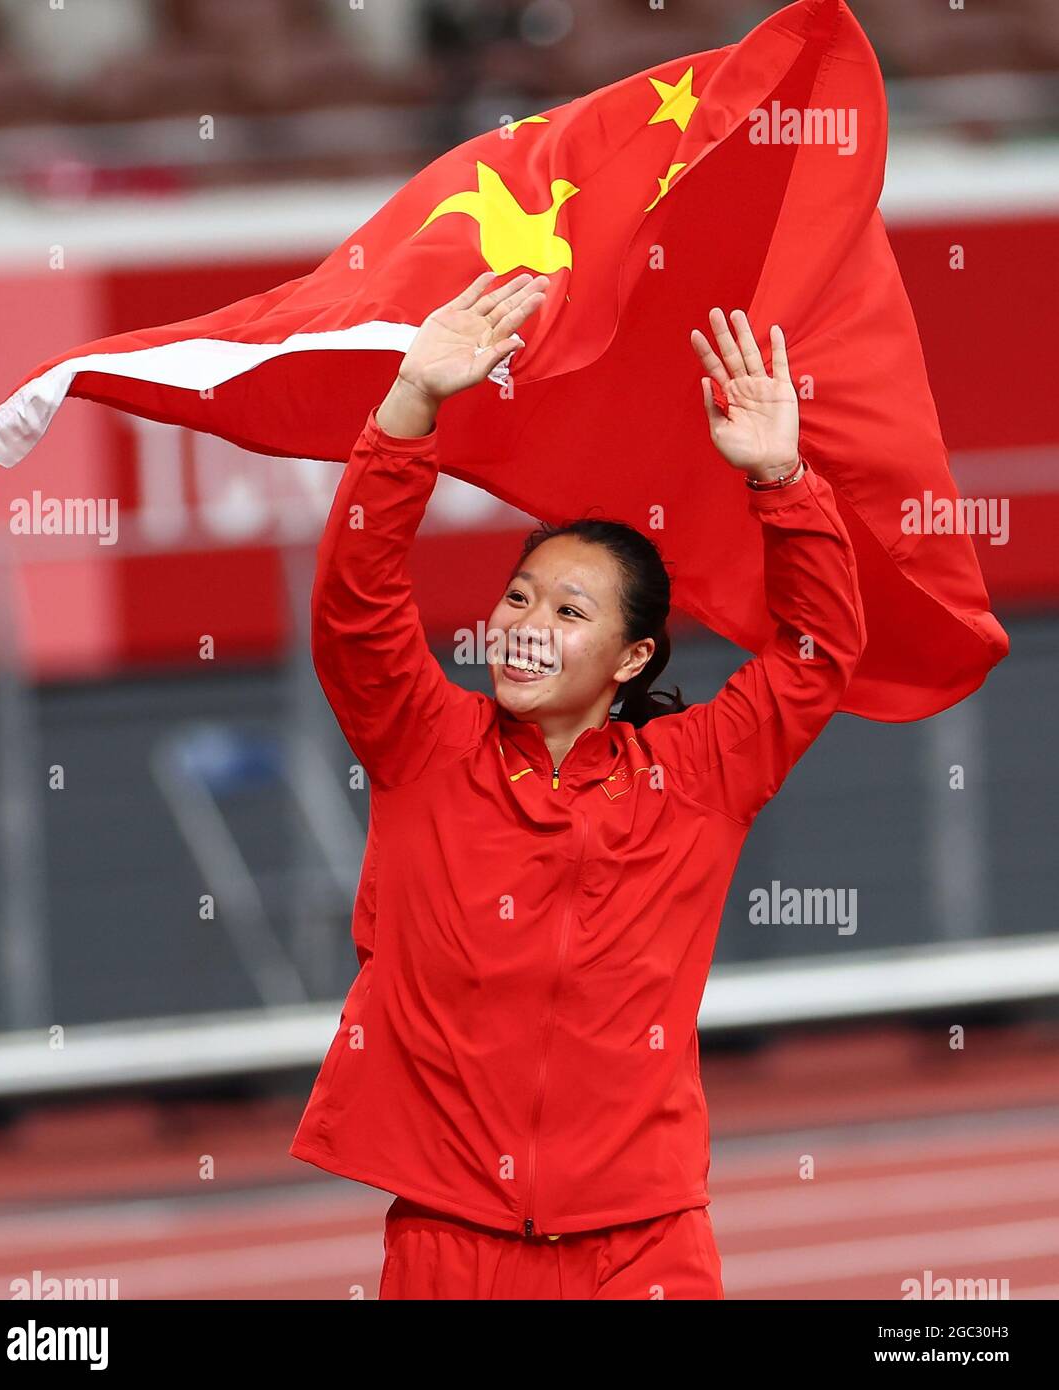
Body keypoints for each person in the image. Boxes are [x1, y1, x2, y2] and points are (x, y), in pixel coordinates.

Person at [289, 270, 866, 1300]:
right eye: (517, 597)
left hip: (645, 1241)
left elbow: (815, 658)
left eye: (566, 611)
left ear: (632, 657)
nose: (524, 624)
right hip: (449, 1237)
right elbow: (355, 607)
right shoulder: (424, 742)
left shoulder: (698, 772)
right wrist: (409, 409)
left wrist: (783, 481)